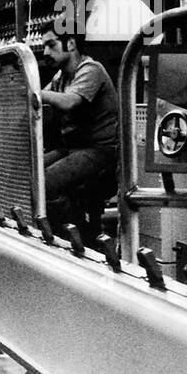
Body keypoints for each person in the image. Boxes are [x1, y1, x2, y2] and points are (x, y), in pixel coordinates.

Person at [38, 26, 120, 235]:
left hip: (101, 151)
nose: (46, 52)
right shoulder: (61, 76)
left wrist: (34, 94)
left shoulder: (91, 69)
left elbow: (69, 102)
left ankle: (76, 237)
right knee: (30, 172)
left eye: (51, 44)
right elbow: (43, 99)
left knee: (46, 182)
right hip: (74, 148)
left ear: (71, 43)